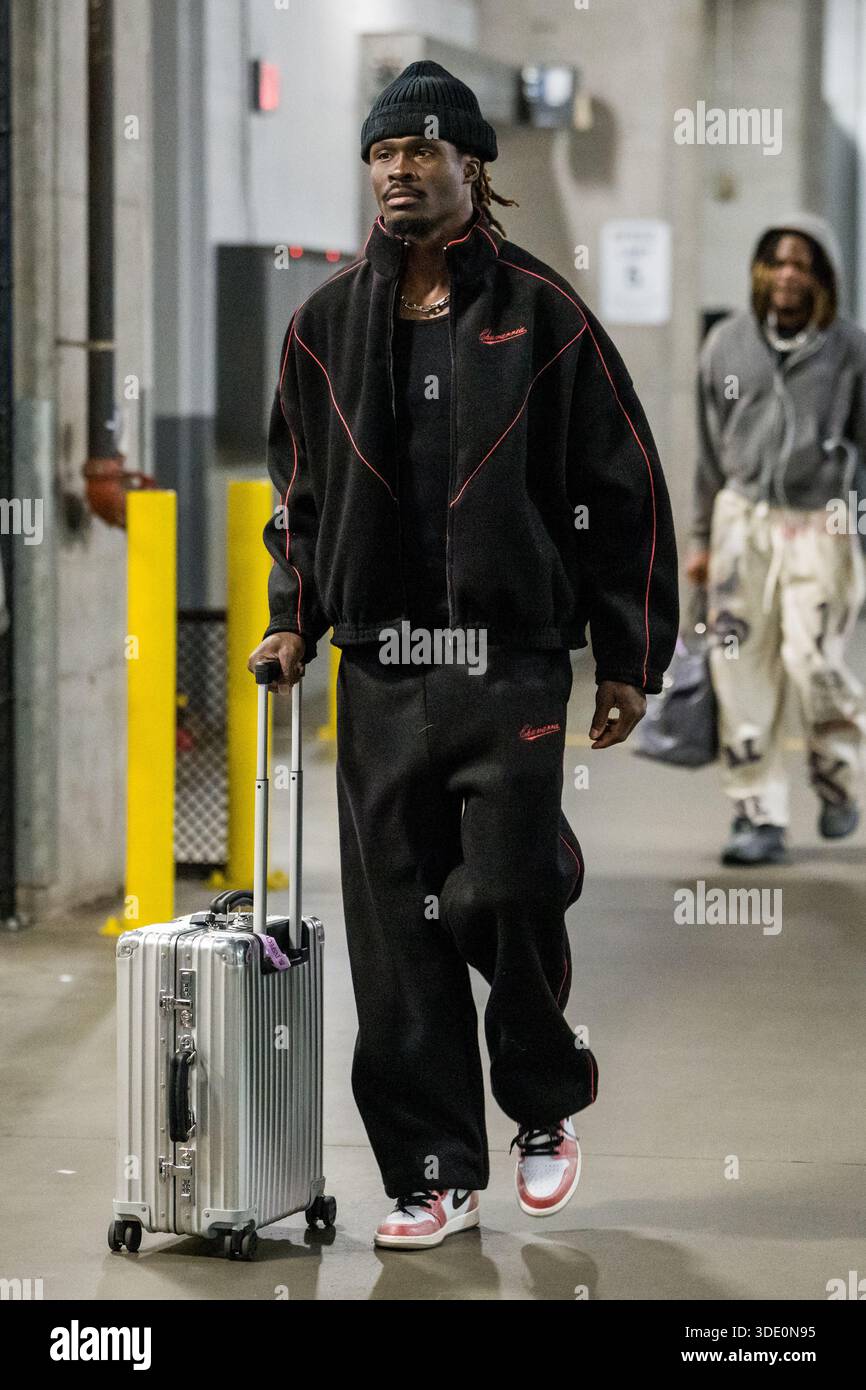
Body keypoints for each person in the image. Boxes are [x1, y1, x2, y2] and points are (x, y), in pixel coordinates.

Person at [248, 61, 678, 1248]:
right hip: (381, 666)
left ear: (470, 166)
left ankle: (542, 1100)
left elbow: (620, 484)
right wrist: (294, 613)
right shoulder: (325, 325)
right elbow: (295, 491)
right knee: (397, 926)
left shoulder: (545, 317)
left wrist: (629, 653)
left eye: (420, 153)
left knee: (502, 887)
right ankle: (432, 1173)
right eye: (382, 155)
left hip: (510, 661)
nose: (397, 172)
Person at [686, 214, 866, 866]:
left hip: (823, 522)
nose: (788, 275)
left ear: (823, 278)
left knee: (813, 663)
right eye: (778, 262)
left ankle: (838, 776)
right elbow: (709, 453)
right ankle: (757, 815)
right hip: (742, 524)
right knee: (741, 672)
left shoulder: (852, 349)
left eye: (803, 265)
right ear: (762, 272)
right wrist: (702, 539)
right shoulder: (726, 345)